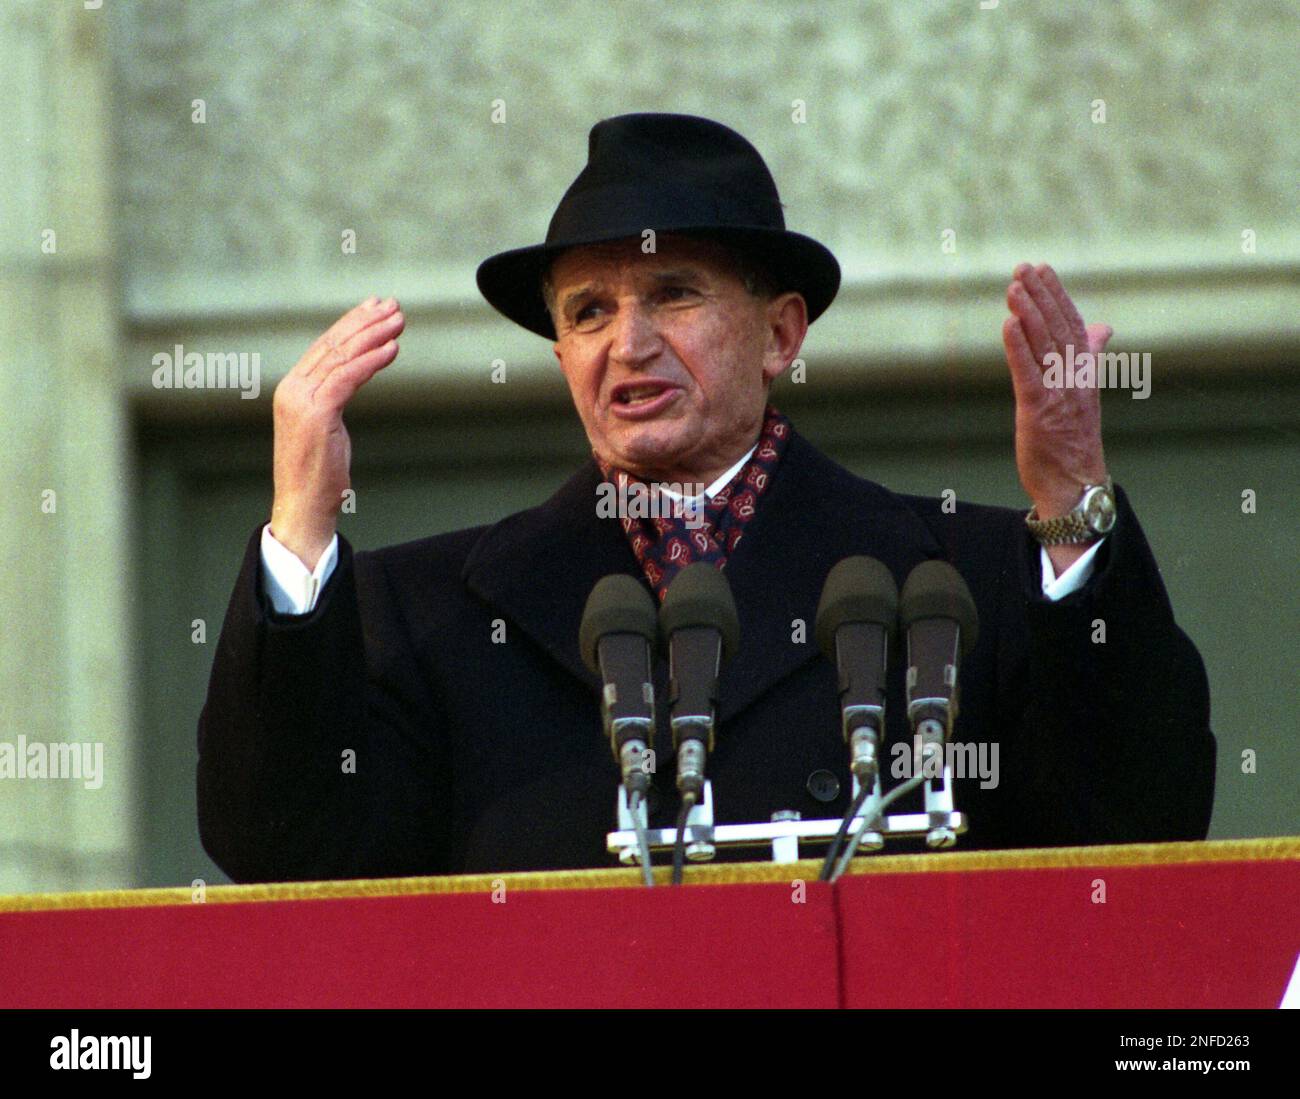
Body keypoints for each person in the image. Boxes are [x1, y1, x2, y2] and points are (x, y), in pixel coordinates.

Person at [197, 113, 1215, 882]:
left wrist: (1074, 497)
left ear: (779, 336)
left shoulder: (967, 579)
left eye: (672, 294)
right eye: (588, 311)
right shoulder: (432, 612)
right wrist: (300, 526)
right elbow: (279, 851)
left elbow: (1137, 823)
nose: (627, 344)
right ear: (560, 356)